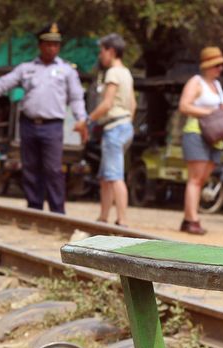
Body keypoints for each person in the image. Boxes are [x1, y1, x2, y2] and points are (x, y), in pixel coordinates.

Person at [0, 22, 88, 214]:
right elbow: (4, 83)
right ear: (40, 45)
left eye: (55, 44)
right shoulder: (26, 68)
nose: (52, 48)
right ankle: (34, 210)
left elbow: (76, 97)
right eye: (48, 44)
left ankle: (58, 212)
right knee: (30, 169)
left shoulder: (67, 71)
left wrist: (81, 119)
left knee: (54, 170)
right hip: (29, 125)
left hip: (53, 126)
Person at [177, 46, 223, 235]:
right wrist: (207, 112)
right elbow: (184, 105)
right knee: (195, 178)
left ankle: (188, 217)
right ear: (207, 66)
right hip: (196, 132)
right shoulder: (196, 82)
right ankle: (193, 219)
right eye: (217, 65)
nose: (220, 69)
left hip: (214, 136)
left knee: (203, 178)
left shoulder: (217, 85)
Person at [87, 33, 135, 226]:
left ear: (111, 51)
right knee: (106, 175)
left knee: (114, 175)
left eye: (102, 51)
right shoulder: (127, 73)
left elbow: (106, 104)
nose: (101, 55)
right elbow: (133, 104)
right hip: (125, 125)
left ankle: (121, 219)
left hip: (114, 127)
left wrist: (88, 120)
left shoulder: (113, 73)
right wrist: (127, 121)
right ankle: (103, 217)